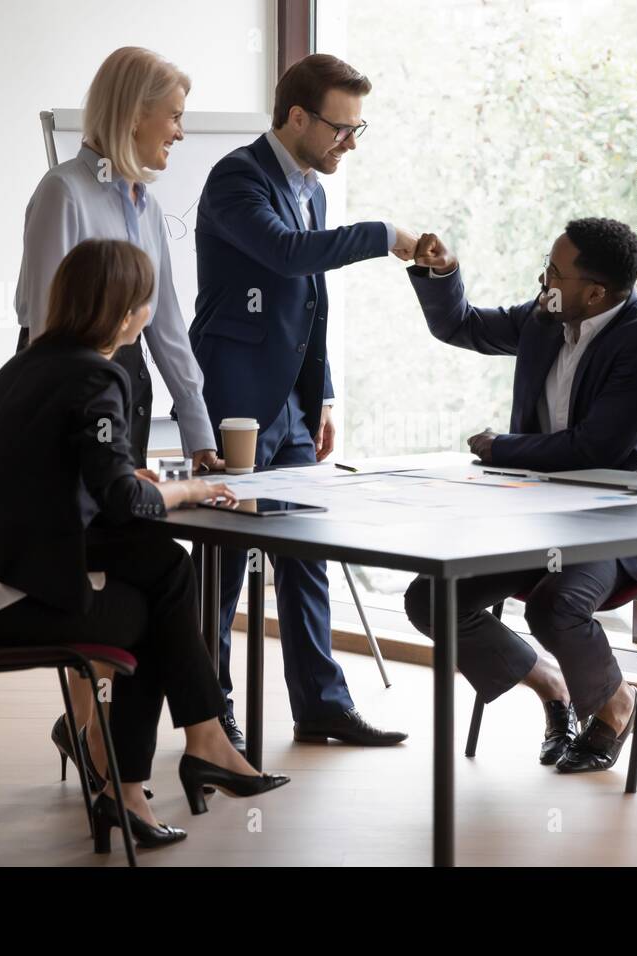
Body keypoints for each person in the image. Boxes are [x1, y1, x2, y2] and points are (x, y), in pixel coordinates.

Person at [0, 239, 288, 853]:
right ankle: (159, 769)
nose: (150, 312)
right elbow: (119, 502)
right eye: (147, 302)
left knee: (164, 565)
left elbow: (57, 476)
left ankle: (191, 750)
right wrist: (184, 489)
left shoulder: (27, 364)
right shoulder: (96, 374)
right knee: (146, 611)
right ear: (124, 315)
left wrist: (129, 480)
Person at [189, 53, 418, 748]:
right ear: (296, 117)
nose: (349, 142)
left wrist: (321, 395)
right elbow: (287, 254)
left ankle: (320, 705)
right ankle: (210, 710)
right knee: (224, 565)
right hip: (235, 403)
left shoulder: (311, 187)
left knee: (305, 554)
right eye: (342, 129)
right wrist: (385, 237)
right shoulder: (237, 177)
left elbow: (310, 300)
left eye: (358, 129)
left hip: (290, 403)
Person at [401, 220, 637, 772]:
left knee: (557, 606)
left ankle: (614, 705)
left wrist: (500, 447)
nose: (544, 280)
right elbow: (462, 325)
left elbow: (594, 447)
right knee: (430, 598)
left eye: (554, 271)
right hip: (532, 515)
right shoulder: (548, 313)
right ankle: (551, 686)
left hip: (613, 520)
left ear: (596, 292)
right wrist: (443, 273)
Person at [14, 46, 219, 472]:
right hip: (69, 398)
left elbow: (166, 325)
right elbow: (50, 330)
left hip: (127, 393)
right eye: (175, 116)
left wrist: (199, 436)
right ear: (134, 115)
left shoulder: (149, 207)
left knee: (132, 529)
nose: (181, 133)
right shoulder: (63, 192)